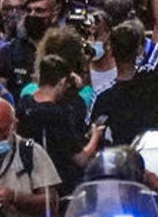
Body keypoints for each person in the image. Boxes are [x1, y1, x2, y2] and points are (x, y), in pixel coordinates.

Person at [15, 54, 102, 195]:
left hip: (28, 185)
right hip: (57, 188)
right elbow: (81, 159)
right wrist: (95, 137)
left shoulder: (24, 105)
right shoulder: (58, 115)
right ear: (61, 83)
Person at [91, 24, 158, 144]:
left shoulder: (103, 96)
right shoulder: (151, 77)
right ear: (139, 50)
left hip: (124, 156)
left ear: (111, 51)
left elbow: (92, 133)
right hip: (155, 151)